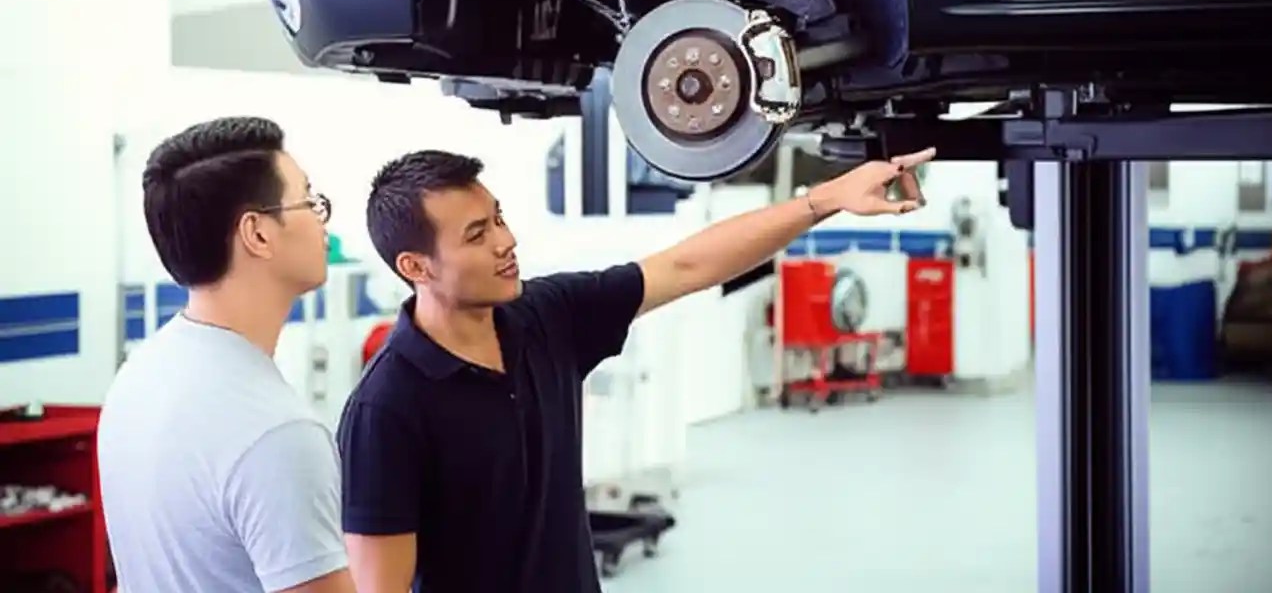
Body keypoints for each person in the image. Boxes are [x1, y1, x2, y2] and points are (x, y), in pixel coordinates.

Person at [337, 146, 935, 593]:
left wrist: (824, 200)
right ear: (416, 266)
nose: (506, 240)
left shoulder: (545, 316)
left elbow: (686, 266)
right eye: (477, 234)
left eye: (499, 218)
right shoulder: (386, 408)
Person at [97, 116, 355, 593]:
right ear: (257, 234)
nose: (322, 220)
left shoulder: (138, 376)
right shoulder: (279, 433)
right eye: (308, 200)